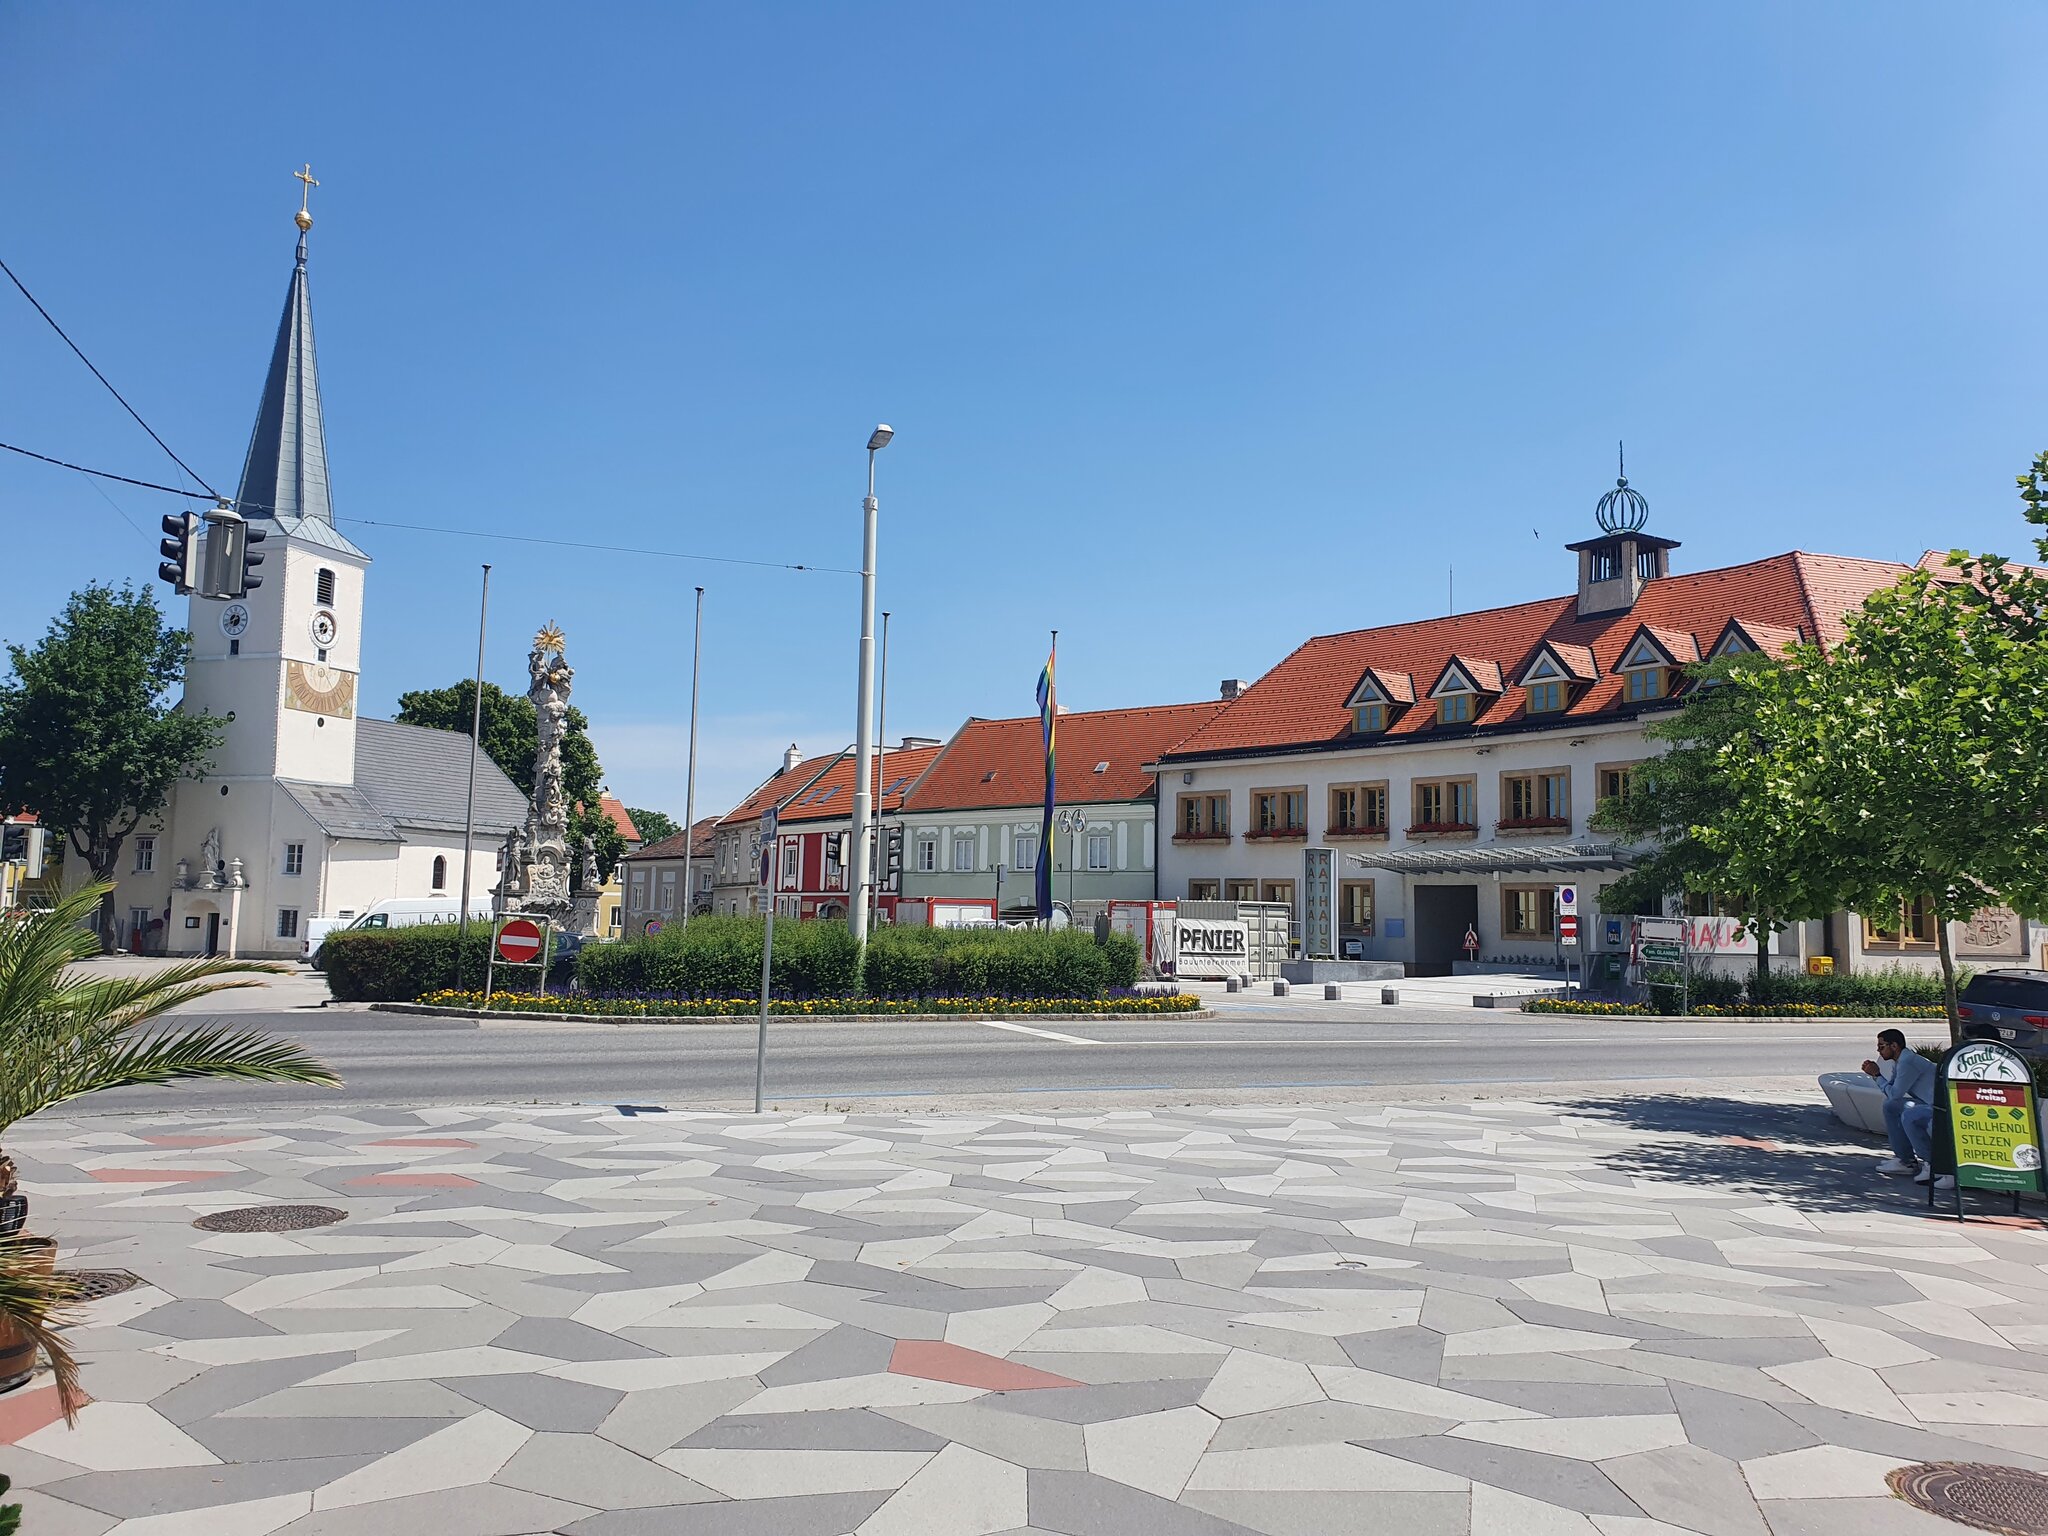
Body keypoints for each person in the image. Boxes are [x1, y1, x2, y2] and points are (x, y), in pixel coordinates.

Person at [1860, 1029, 1952, 1189]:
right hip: (1929, 1103)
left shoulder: (1907, 1062)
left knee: (1910, 1115)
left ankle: (1933, 1164)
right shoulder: (1901, 1061)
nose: (1878, 1050)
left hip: (1941, 1107)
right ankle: (1905, 1160)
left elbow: (1894, 1093)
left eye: (1881, 1046)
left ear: (1894, 1046)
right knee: (1891, 1106)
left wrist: (1876, 1075)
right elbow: (1892, 1093)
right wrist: (1878, 1076)